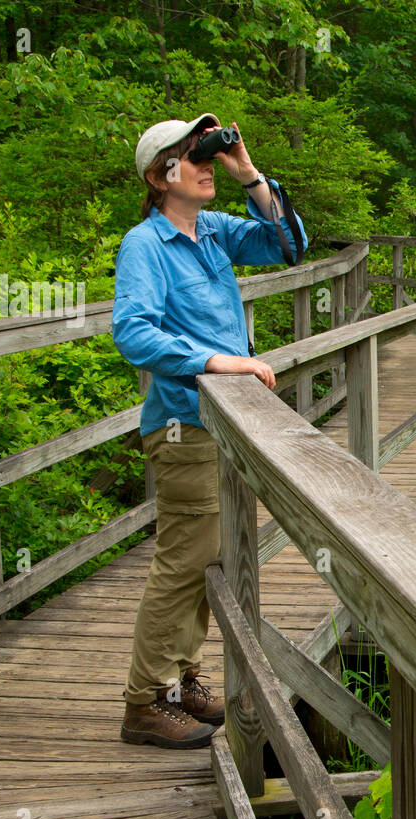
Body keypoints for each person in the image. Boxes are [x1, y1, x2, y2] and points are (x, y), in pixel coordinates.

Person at [112, 112, 308, 749]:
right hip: (183, 426)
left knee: (211, 556)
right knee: (184, 560)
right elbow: (133, 332)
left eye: (207, 153)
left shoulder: (217, 232)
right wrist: (217, 360)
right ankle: (145, 701)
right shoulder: (145, 245)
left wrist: (247, 172)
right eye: (190, 156)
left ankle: (180, 679)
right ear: (157, 175)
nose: (204, 164)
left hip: (219, 427)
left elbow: (288, 245)